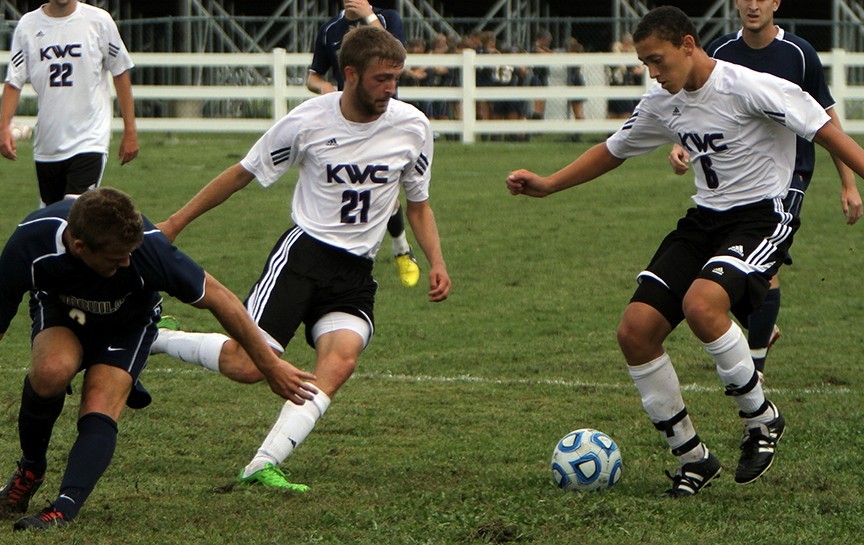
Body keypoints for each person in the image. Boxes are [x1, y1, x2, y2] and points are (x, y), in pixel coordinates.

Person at [507, 6, 864, 496]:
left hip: (764, 214)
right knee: (635, 332)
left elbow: (829, 134)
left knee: (702, 304)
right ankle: (693, 457)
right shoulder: (663, 100)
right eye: (646, 64)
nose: (654, 73)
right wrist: (548, 185)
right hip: (704, 221)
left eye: (658, 60)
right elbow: (614, 149)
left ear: (688, 45)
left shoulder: (749, 86)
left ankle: (761, 419)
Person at [155, 25, 451, 491]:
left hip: (355, 272)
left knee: (341, 360)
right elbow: (242, 174)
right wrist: (173, 225)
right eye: (381, 79)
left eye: (397, 78)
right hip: (302, 258)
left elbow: (418, 203)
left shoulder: (413, 126)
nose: (391, 89)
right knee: (247, 366)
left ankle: (263, 462)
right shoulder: (308, 120)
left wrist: (435, 260)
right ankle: (156, 338)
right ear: (350, 74)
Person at [0, 188, 317, 531]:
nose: (126, 263)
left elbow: (220, 298)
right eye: (116, 257)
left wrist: (270, 367)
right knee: (49, 372)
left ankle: (63, 509)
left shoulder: (146, 249)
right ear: (80, 247)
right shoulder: (30, 243)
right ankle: (30, 470)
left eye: (130, 254)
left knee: (101, 399)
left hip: (129, 322)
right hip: (64, 311)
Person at [667, 0, 863, 382]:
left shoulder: (798, 54)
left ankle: (754, 364)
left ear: (776, 3)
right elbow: (698, 110)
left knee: (762, 269)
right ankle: (761, 327)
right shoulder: (722, 52)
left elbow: (826, 119)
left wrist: (848, 182)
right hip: (734, 179)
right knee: (737, 272)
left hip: (789, 175)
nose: (752, 5)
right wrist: (682, 145)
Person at [305, 0, 420, 288]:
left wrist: (368, 16)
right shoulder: (330, 28)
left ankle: (401, 249)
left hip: (383, 120)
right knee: (352, 186)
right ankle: (346, 254)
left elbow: (397, 58)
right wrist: (324, 88)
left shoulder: (387, 18)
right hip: (344, 122)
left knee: (384, 189)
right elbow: (313, 76)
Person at [0, 0, 139, 207]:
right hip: (48, 145)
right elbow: (14, 82)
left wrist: (130, 131)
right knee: (53, 220)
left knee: (74, 214)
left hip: (89, 139)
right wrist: (3, 128)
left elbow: (120, 72)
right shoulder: (28, 25)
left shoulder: (99, 21)